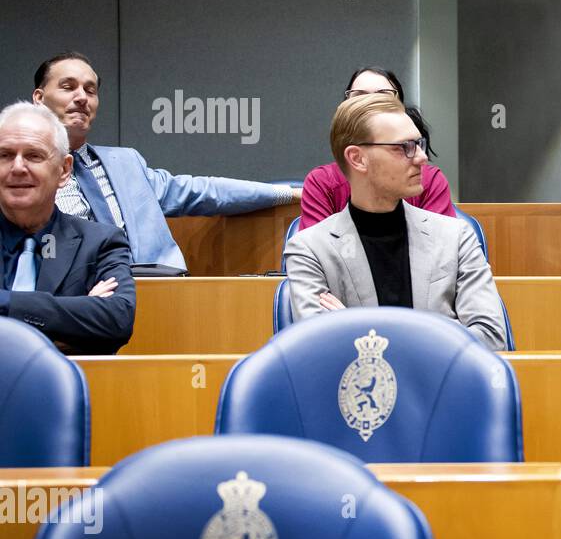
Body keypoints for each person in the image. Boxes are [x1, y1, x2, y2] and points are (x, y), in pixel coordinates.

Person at [32, 52, 301, 271]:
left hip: (156, 289)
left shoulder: (126, 163)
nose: (82, 97)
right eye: (68, 87)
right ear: (39, 99)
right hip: (76, 298)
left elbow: (202, 191)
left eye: (90, 90)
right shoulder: (21, 174)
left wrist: (290, 193)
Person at [284, 93, 507, 350]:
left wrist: (357, 327)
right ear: (357, 158)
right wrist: (443, 329)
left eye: (419, 144)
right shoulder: (309, 250)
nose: (422, 157)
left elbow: (491, 339)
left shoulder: (457, 237)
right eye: (404, 147)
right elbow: (321, 350)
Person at [0, 101, 135, 355]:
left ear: (64, 170)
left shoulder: (100, 242)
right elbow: (95, 330)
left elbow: (116, 319)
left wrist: (6, 302)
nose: (17, 167)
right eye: (5, 155)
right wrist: (75, 316)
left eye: (33, 156)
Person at [298, 67, 453, 228]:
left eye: (383, 96)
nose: (371, 104)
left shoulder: (429, 180)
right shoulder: (323, 182)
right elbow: (316, 242)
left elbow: (442, 240)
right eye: (359, 96)